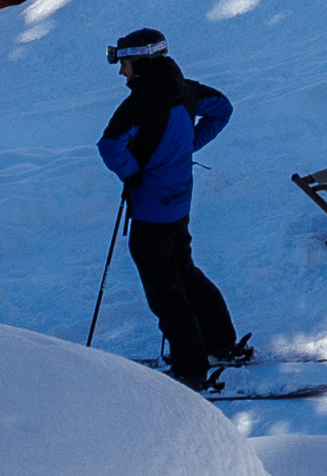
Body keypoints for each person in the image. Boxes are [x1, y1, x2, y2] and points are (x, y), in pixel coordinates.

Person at [100, 25, 253, 389]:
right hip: (179, 203)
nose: (122, 72)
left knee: (165, 291)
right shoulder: (186, 90)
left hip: (152, 210)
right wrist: (186, 147)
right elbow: (223, 110)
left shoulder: (138, 104)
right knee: (184, 271)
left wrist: (133, 171)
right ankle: (221, 344)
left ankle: (190, 368)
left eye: (125, 63)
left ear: (142, 62)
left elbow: (109, 146)